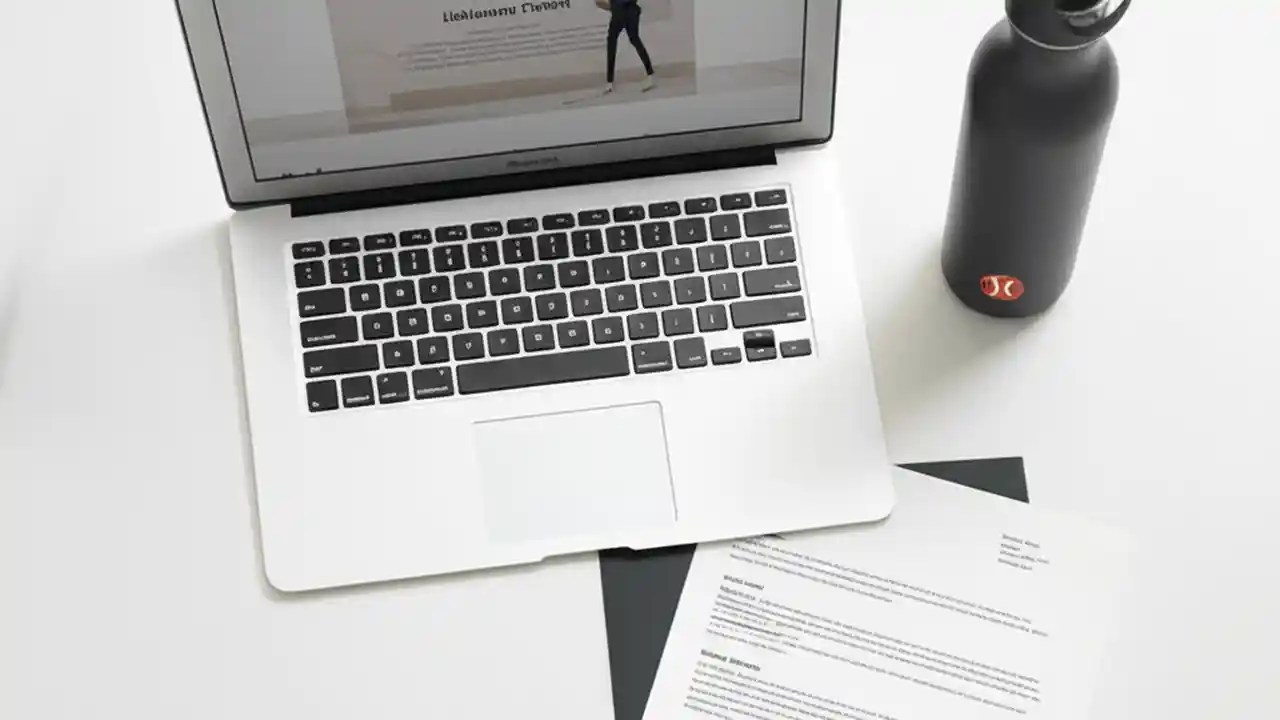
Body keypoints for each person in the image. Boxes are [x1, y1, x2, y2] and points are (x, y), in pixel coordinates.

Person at [604, 0, 656, 94]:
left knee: (616, 40)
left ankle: (609, 81)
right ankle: (650, 74)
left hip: (624, 10)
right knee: (632, 39)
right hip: (627, 10)